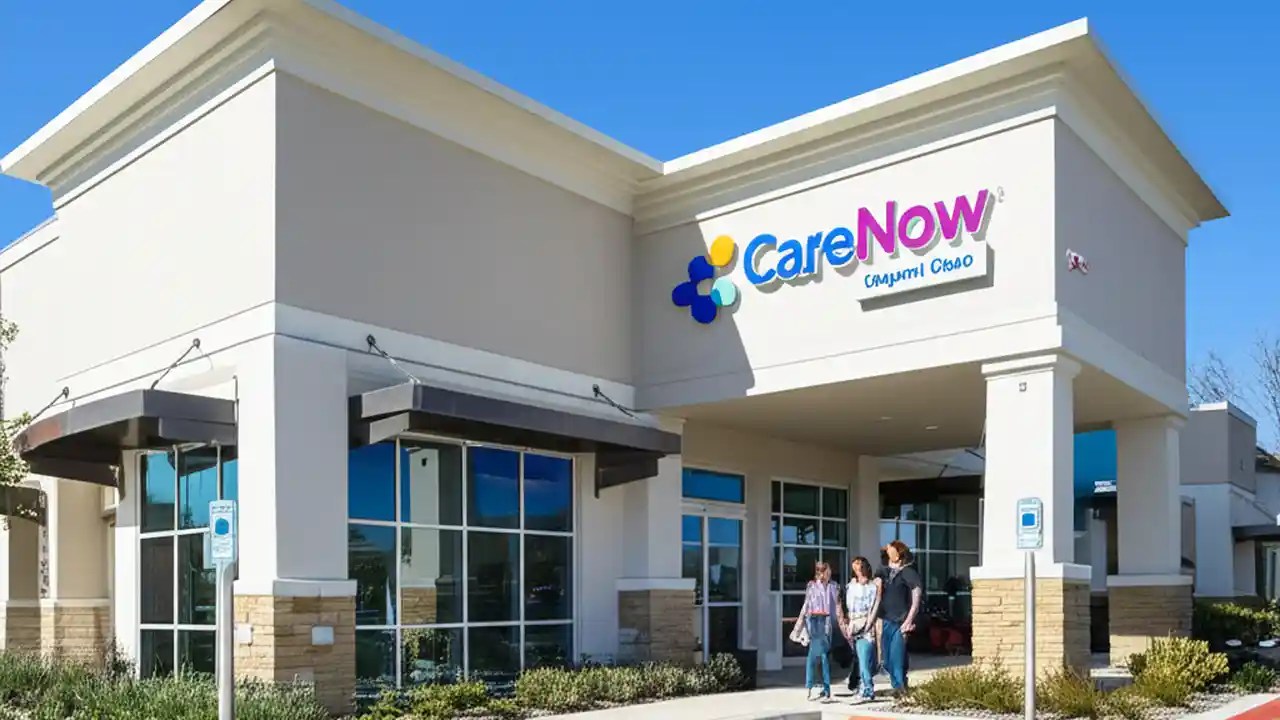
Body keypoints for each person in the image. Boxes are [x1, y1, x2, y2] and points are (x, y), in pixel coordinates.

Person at [879, 540, 922, 695]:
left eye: (892, 551)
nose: (888, 553)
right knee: (887, 659)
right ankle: (899, 682)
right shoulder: (885, 572)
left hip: (901, 620)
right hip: (886, 619)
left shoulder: (908, 573)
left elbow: (916, 597)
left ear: (899, 554)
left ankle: (899, 686)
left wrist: (909, 620)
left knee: (896, 655)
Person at [799, 561, 843, 702]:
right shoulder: (812, 586)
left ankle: (824, 688)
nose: (827, 574)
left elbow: (837, 607)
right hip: (815, 621)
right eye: (825, 571)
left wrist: (841, 624)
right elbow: (807, 605)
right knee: (815, 655)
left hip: (827, 622)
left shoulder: (834, 586)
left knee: (824, 656)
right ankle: (813, 686)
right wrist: (802, 625)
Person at [842, 556, 882, 701]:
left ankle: (867, 689)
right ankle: (864, 686)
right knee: (860, 659)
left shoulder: (872, 586)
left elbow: (875, 605)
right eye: (855, 567)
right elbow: (847, 607)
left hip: (866, 624)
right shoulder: (851, 586)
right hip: (854, 624)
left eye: (860, 566)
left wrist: (869, 624)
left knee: (864, 659)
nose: (858, 569)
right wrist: (847, 625)